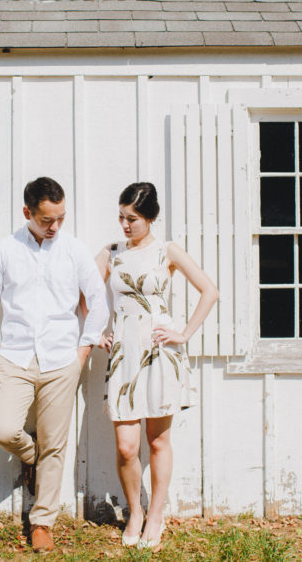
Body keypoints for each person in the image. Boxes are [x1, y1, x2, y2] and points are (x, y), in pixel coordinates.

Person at [0, 176, 109, 553]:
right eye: (47, 220)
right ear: (27, 213)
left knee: (56, 443)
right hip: (15, 357)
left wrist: (82, 351)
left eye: (61, 219)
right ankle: (29, 454)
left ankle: (42, 523)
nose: (55, 227)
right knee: (4, 429)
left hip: (61, 358)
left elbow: (96, 301)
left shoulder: (74, 251)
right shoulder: (3, 250)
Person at [95, 182, 219, 549]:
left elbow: (209, 291)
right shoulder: (111, 253)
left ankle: (157, 514)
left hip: (160, 354)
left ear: (150, 217)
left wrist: (183, 333)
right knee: (127, 447)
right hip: (123, 358)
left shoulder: (168, 251)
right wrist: (96, 332)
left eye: (132, 218)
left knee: (158, 440)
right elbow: (82, 293)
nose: (125, 225)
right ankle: (135, 510)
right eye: (121, 216)